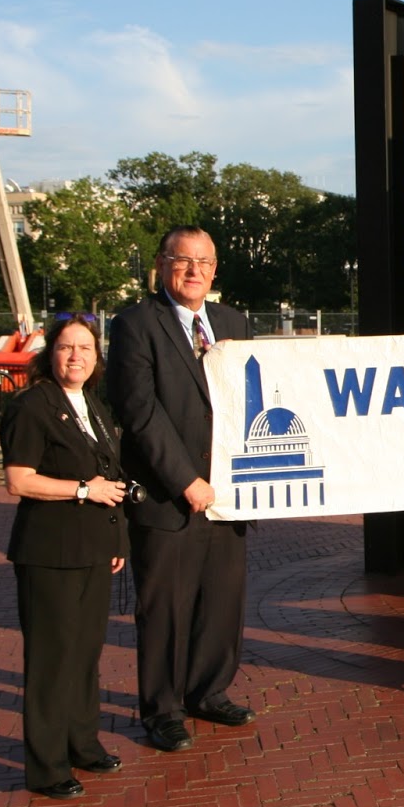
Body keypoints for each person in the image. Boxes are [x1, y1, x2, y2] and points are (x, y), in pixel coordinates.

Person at [107, 226, 254, 752]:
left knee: (221, 601)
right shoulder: (134, 325)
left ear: (215, 270)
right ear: (162, 264)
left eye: (204, 262)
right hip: (167, 497)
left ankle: (208, 692)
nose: (194, 271)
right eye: (183, 260)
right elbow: (140, 413)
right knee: (165, 608)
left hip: (227, 497)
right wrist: (185, 480)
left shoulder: (233, 323)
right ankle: (163, 710)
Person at [0, 312, 128, 799]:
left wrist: (116, 542)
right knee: (52, 660)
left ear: (97, 358)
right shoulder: (32, 406)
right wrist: (82, 490)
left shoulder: (93, 405)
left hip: (94, 548)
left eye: (85, 348)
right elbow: (19, 480)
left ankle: (83, 744)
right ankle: (47, 766)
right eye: (66, 347)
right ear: (50, 353)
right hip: (49, 551)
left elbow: (110, 476)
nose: (76, 356)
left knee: (85, 654)